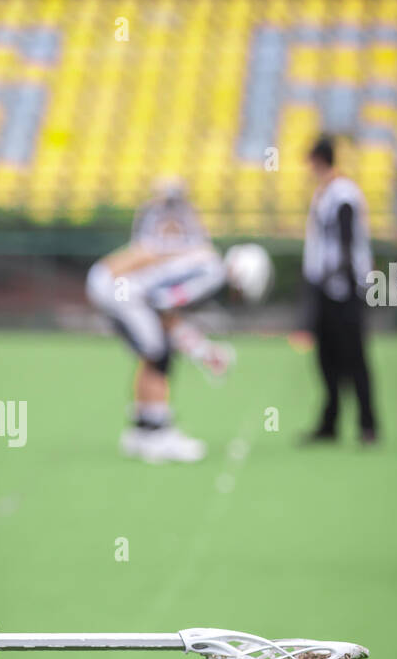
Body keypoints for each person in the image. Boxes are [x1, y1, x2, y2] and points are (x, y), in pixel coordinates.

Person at [86, 178, 271, 463]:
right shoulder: (211, 272)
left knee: (153, 352)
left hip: (115, 284)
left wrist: (200, 349)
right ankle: (156, 435)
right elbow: (162, 304)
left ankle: (143, 429)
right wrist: (203, 351)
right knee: (159, 353)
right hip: (120, 290)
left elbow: (163, 306)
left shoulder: (207, 260)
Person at [301, 135, 378, 444]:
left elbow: (346, 240)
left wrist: (339, 277)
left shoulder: (342, 193)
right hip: (328, 286)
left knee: (353, 356)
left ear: (319, 160)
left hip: (343, 288)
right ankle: (330, 422)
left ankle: (368, 424)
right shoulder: (326, 193)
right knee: (327, 357)